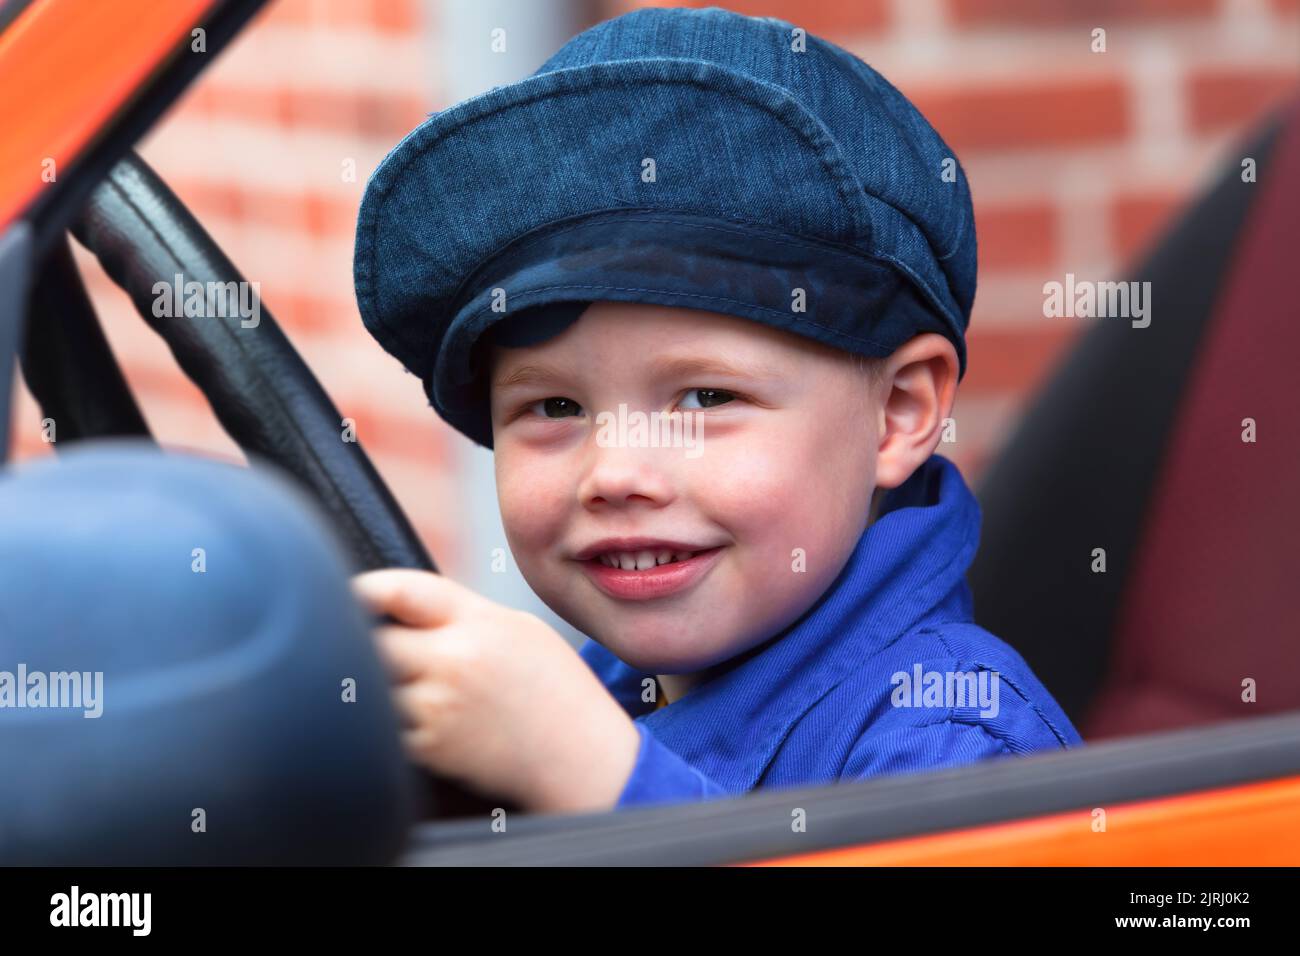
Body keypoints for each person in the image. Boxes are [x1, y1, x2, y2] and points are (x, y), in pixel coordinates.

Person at [350, 6, 1082, 814]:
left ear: (900, 414)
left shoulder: (953, 742)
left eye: (705, 397)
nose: (616, 472)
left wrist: (598, 778)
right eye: (554, 404)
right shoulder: (615, 685)